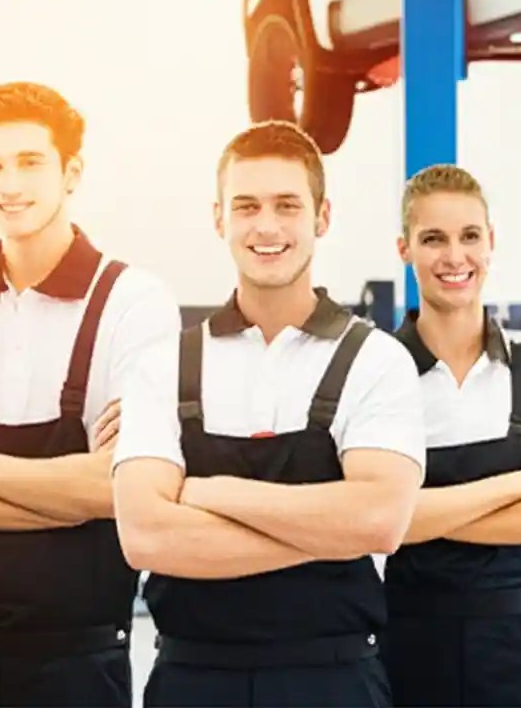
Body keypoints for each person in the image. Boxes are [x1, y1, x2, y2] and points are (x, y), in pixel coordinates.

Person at [0, 81, 182, 707]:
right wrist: (65, 497)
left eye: (29, 163)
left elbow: (117, 490)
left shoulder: (134, 304)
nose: (9, 185)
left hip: (80, 661)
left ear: (71, 172)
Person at [111, 120, 427, 707]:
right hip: (192, 681)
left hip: (334, 682)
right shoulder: (165, 367)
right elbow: (145, 535)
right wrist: (328, 529)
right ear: (219, 219)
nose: (267, 225)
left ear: (321, 217)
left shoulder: (375, 360)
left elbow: (380, 521)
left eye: (287, 205)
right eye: (246, 205)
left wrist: (209, 492)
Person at [382, 164, 521, 707]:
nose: (454, 257)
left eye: (469, 237)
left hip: (514, 658)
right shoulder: (374, 371)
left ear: (491, 244)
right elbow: (375, 522)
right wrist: (516, 486)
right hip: (401, 656)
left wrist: (421, 517)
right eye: (432, 239)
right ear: (404, 249)